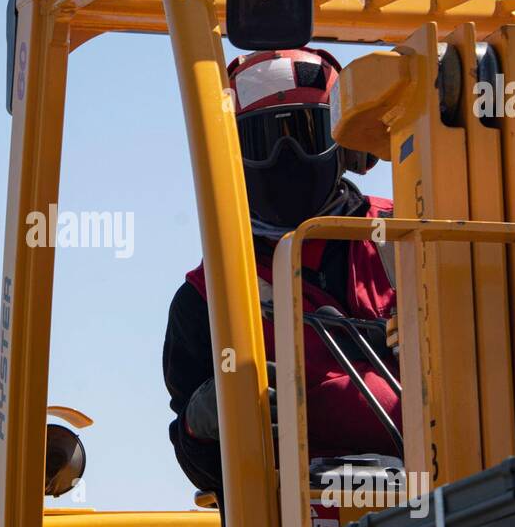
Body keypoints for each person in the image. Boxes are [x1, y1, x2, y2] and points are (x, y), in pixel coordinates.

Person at [162, 47, 402, 502]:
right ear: (231, 155)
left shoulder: (410, 233)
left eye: (304, 134)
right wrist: (200, 423)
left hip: (449, 498)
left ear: (345, 146)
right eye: (262, 141)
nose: (284, 156)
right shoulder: (204, 299)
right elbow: (200, 469)